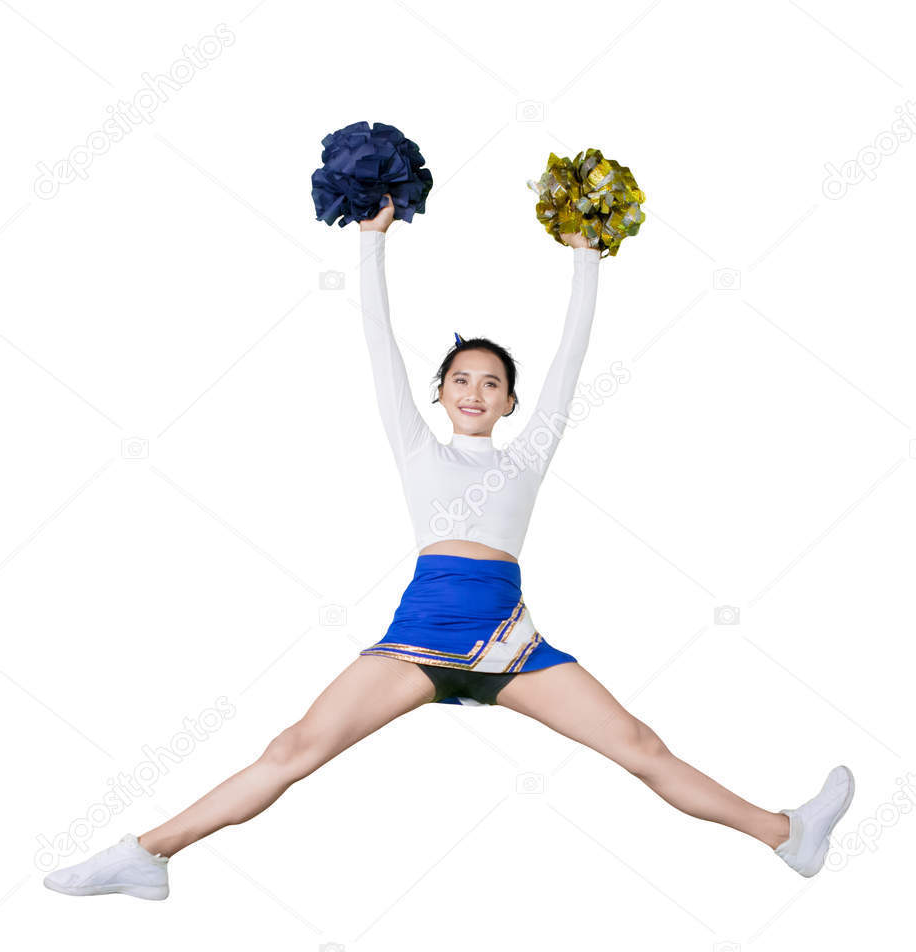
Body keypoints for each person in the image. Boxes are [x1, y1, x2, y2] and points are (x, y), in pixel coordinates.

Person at [44, 194, 853, 901]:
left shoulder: (526, 456)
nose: (473, 390)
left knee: (640, 746)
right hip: (418, 640)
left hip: (511, 645)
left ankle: (786, 833)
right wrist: (371, 239)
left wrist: (587, 260)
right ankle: (146, 854)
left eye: (491, 382)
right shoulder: (416, 447)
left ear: (508, 402)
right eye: (460, 379)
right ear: (439, 393)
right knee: (291, 749)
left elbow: (572, 358)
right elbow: (377, 342)